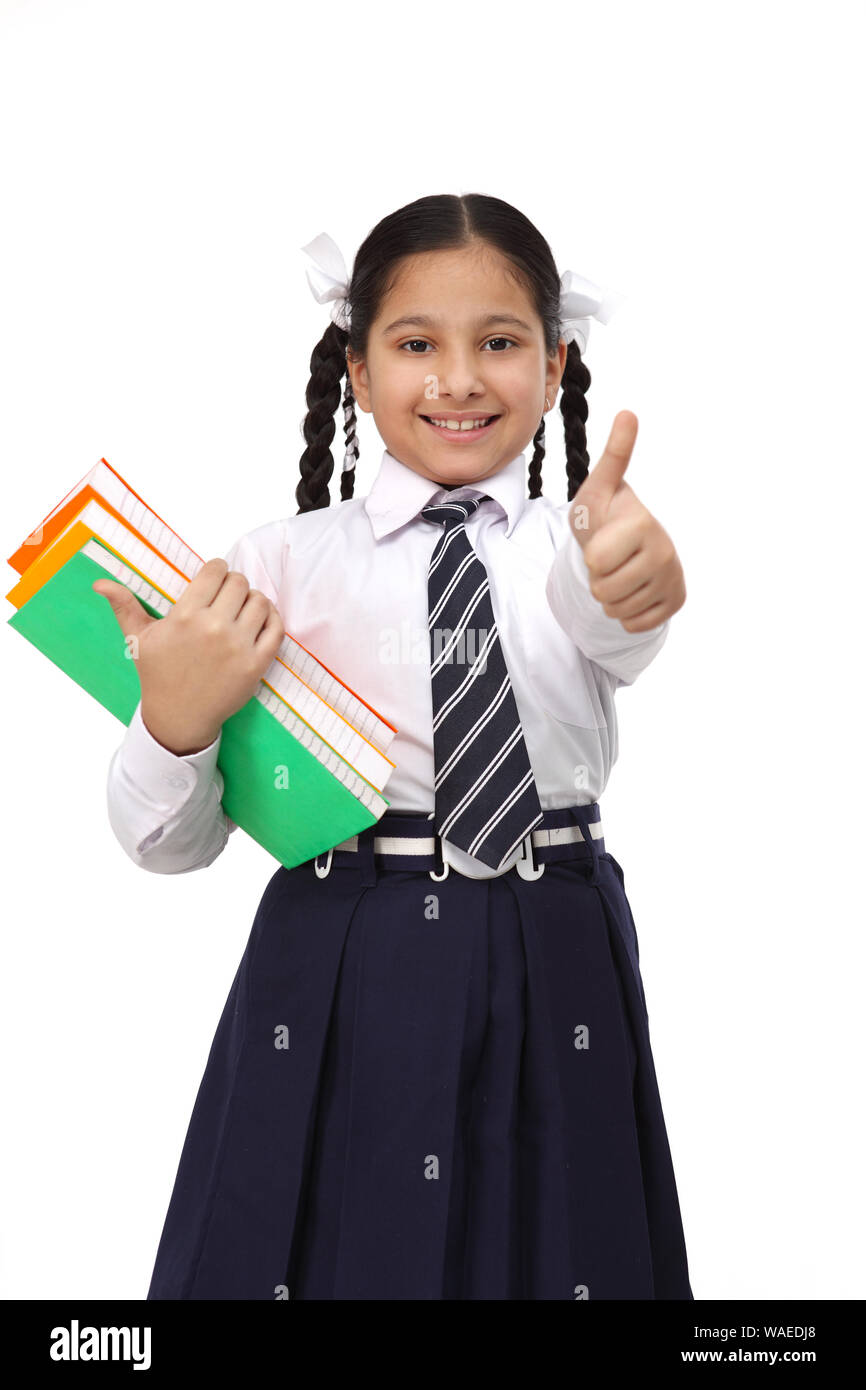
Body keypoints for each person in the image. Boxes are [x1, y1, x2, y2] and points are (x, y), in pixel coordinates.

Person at [94, 191, 692, 1300]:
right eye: (415, 344)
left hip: (547, 930)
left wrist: (635, 579)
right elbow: (161, 843)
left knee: (564, 1238)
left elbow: (613, 616)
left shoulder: (584, 544)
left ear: (555, 369)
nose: (457, 379)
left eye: (499, 343)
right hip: (339, 948)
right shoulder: (273, 566)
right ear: (357, 373)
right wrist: (175, 715)